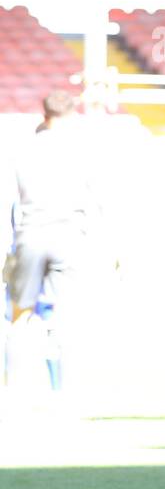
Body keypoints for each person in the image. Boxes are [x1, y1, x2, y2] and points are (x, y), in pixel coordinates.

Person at [3, 91, 98, 392]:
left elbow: (10, 200)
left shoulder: (24, 148)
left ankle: (10, 388)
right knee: (61, 316)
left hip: (29, 235)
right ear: (71, 114)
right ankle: (61, 391)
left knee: (19, 314)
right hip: (68, 237)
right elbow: (95, 197)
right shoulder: (81, 150)